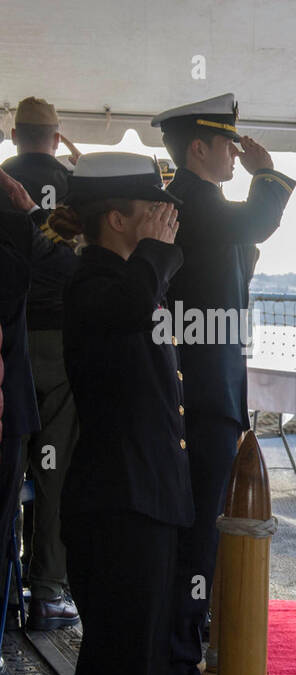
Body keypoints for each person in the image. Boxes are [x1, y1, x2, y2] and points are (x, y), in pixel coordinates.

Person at [54, 152, 191, 675]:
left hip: (146, 503)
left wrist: (162, 250)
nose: (164, 218)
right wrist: (157, 254)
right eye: (151, 207)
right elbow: (134, 303)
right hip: (117, 510)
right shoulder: (96, 284)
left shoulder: (126, 279)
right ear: (117, 217)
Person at [152, 94, 296, 675]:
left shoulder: (193, 203)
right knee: (192, 544)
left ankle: (179, 662)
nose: (236, 153)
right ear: (197, 150)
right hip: (198, 402)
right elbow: (255, 224)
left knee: (196, 540)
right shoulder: (191, 201)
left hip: (206, 396)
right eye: (227, 144)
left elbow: (243, 252)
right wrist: (269, 175)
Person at [2, 97, 81, 629]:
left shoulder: (3, 179)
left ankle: (5, 592)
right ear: (54, 138)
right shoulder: (74, 184)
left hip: (9, 341)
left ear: (14, 134)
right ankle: (50, 592)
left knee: (7, 468)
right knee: (55, 470)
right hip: (60, 341)